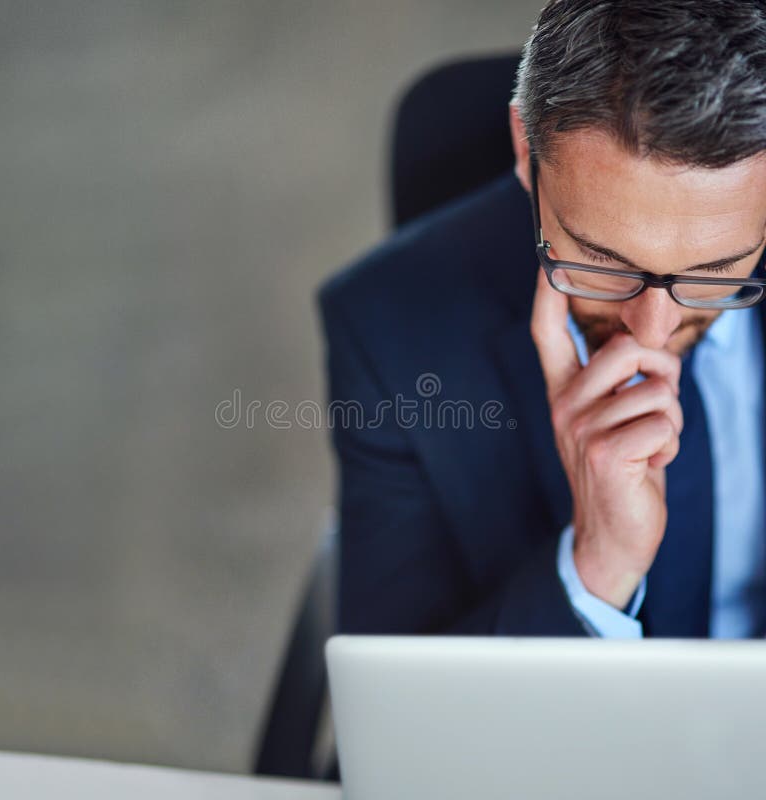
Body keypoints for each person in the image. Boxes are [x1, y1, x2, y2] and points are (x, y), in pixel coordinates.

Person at [316, 0, 766, 639]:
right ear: (526, 147)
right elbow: (407, 719)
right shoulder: (387, 333)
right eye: (604, 262)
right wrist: (595, 570)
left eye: (717, 270)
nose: (653, 330)